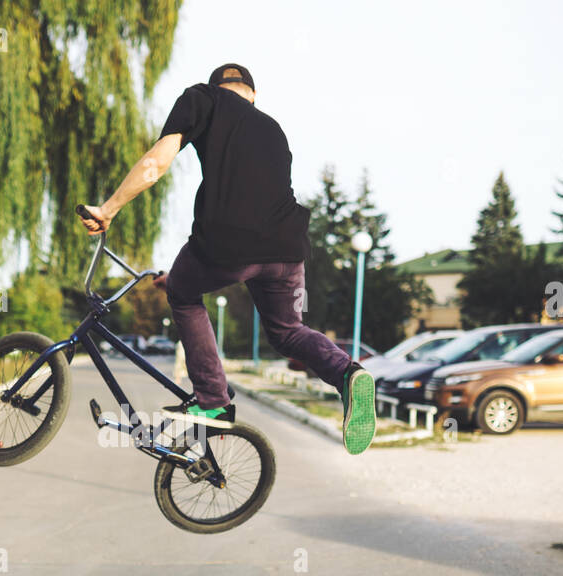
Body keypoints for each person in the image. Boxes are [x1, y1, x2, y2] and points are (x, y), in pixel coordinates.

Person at [80, 63, 376, 454]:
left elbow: (155, 164)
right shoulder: (274, 129)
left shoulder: (201, 99)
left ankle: (214, 401)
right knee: (287, 330)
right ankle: (347, 373)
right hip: (287, 250)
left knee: (184, 296)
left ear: (216, 87)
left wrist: (109, 208)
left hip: (226, 243)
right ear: (252, 96)